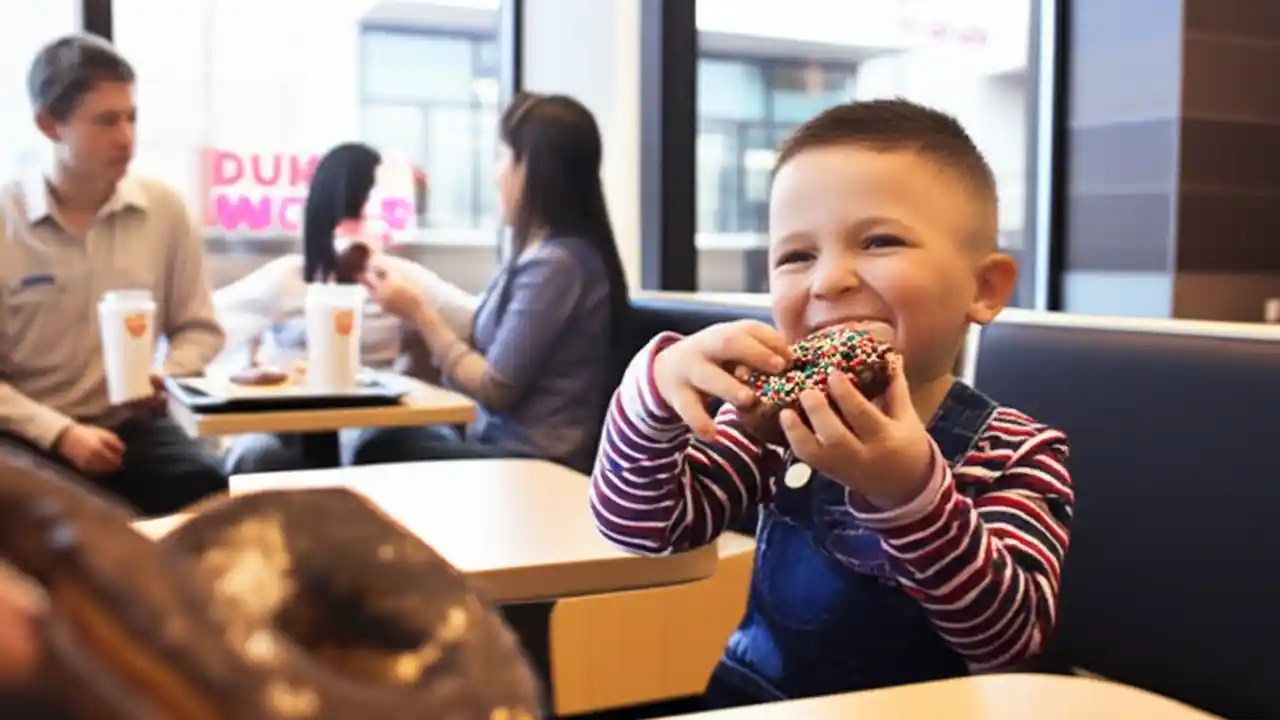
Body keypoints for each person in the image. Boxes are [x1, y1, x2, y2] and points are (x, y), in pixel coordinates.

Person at [590, 99, 1074, 707]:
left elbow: (1010, 640)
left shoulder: (1016, 452)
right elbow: (643, 529)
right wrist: (655, 390)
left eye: (878, 241)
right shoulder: (774, 426)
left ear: (983, 288)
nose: (828, 281)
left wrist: (910, 495)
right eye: (797, 256)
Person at [0, 34, 227, 517]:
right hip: (25, 428)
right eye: (105, 121)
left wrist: (169, 373)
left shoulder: (164, 211)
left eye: (131, 117)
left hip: (129, 425)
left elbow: (199, 328)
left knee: (206, 489)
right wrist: (59, 433)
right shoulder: (6, 221)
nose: (126, 137)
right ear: (49, 125)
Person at [357, 92, 630, 474]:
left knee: (376, 446)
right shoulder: (539, 255)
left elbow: (495, 389)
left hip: (535, 463)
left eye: (504, 156)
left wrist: (419, 314)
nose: (496, 173)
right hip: (501, 448)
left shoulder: (558, 266)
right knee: (382, 436)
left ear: (536, 169)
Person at [214, 142, 477, 473]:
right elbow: (204, 323)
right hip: (287, 418)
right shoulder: (288, 278)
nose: (365, 226)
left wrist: (419, 322)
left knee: (419, 449)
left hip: (378, 420)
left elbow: (477, 321)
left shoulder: (401, 280)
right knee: (256, 456)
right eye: (359, 211)